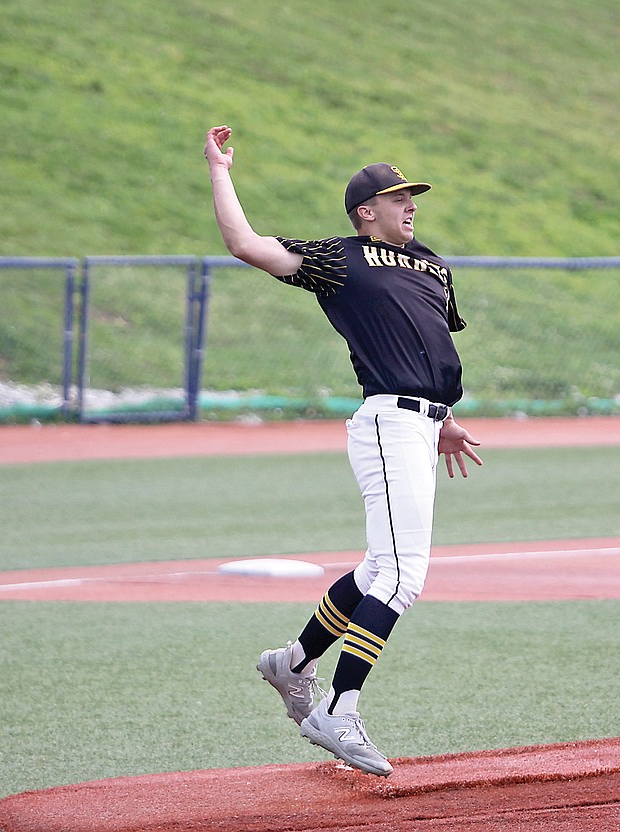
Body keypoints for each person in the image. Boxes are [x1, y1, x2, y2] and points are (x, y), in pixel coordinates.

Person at [204, 125, 483, 776]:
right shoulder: (342, 259)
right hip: (385, 423)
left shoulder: (433, 265)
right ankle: (339, 707)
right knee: (402, 575)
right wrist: (220, 169)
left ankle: (293, 662)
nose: (411, 205)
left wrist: (442, 417)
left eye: (412, 198)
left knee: (375, 570)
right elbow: (244, 244)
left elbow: (427, 344)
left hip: (419, 424)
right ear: (366, 212)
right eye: (398, 198)